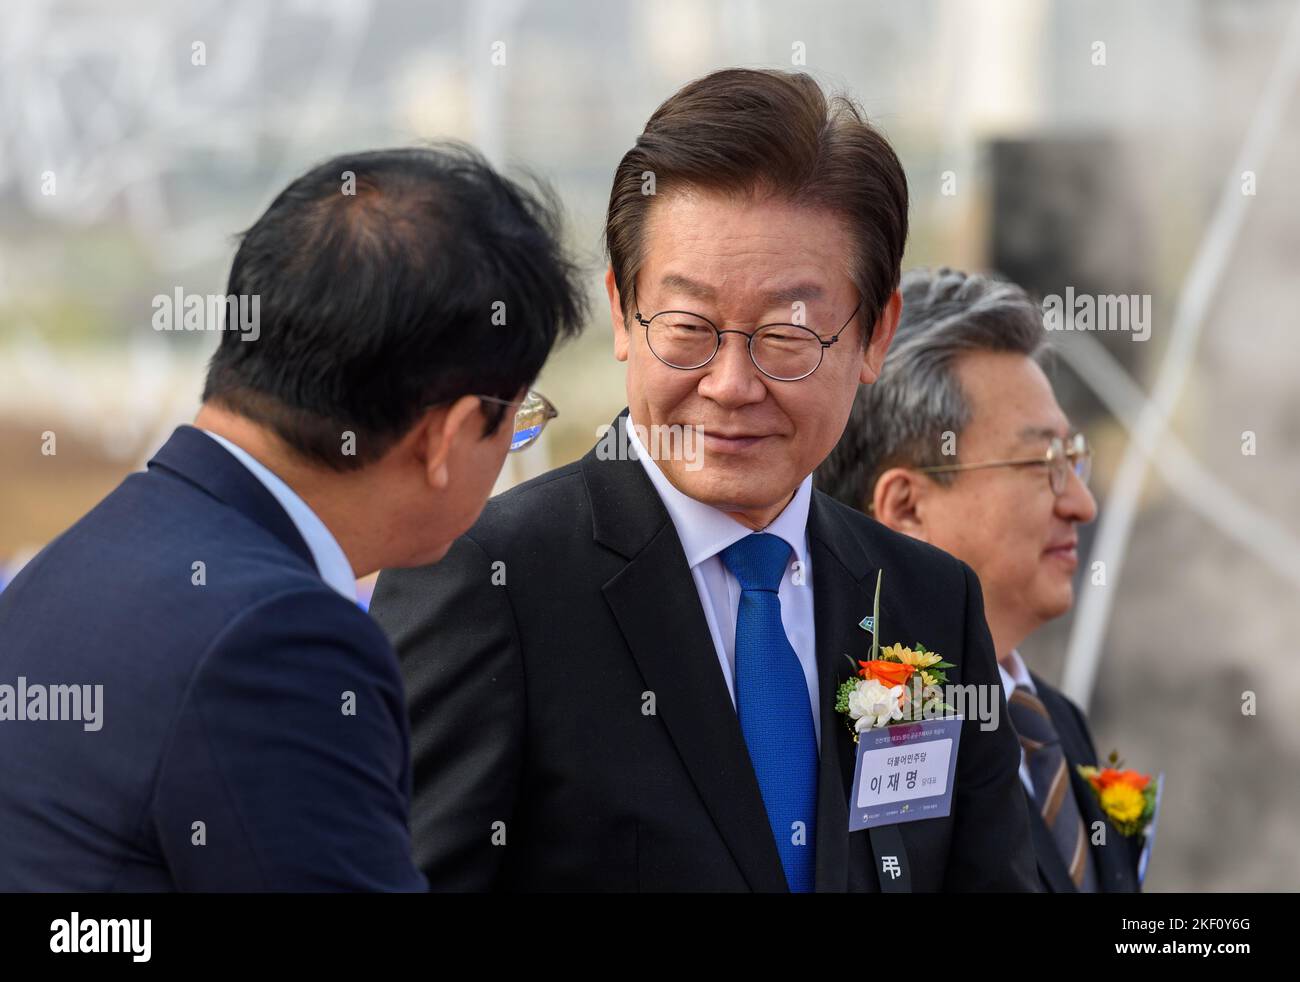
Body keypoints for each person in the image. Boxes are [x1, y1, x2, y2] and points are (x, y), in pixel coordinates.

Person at [371, 71, 1036, 892]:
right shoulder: (490, 584)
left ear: (875, 335)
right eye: (686, 328)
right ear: (621, 313)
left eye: (786, 336)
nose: (729, 384)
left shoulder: (930, 601)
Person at [0, 144, 585, 891]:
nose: (512, 448)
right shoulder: (279, 642)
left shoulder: (78, 559)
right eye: (517, 422)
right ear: (445, 437)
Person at [817, 266, 1140, 892]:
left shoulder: (1053, 719)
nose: (1082, 503)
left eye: (1073, 460)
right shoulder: (876, 723)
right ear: (907, 507)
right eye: (1044, 462)